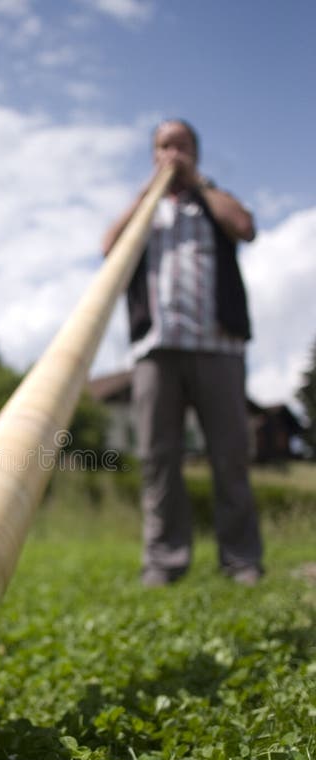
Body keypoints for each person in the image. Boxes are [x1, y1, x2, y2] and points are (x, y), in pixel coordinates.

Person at [102, 119, 263, 587]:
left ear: (195, 152)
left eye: (182, 145)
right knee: (158, 456)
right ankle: (164, 562)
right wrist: (145, 193)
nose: (172, 153)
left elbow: (245, 227)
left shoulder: (211, 202)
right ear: (153, 155)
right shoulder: (145, 211)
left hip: (219, 345)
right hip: (156, 350)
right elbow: (109, 249)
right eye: (163, 146)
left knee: (230, 453)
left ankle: (241, 560)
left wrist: (199, 182)